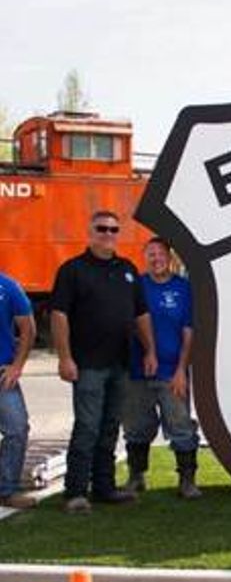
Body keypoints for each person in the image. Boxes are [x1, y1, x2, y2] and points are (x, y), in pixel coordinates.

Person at [51, 211, 157, 514]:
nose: (108, 233)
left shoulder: (127, 269)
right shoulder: (73, 270)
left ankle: (104, 487)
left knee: (110, 427)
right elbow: (59, 316)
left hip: (121, 363)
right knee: (87, 427)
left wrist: (149, 351)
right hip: (87, 364)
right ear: (90, 232)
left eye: (113, 229)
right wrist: (64, 358)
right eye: (102, 228)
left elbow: (141, 315)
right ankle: (75, 492)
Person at [123, 237, 200, 499]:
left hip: (171, 372)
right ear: (145, 258)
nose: (156, 259)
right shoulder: (137, 286)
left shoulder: (184, 288)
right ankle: (136, 476)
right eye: (151, 254)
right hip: (138, 371)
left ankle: (187, 481)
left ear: (170, 258)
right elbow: (131, 324)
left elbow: (189, 332)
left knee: (180, 425)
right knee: (136, 426)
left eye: (160, 254)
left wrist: (181, 370)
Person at [0, 270, 37, 509]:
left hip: (2, 374)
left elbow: (29, 328)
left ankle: (7, 490)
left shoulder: (7, 286)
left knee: (17, 428)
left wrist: (17, 366)